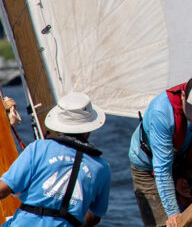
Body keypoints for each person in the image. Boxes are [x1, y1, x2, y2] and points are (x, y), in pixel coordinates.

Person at [129, 74, 192, 227]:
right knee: (166, 224)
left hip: (188, 157)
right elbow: (162, 170)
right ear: (183, 96)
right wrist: (173, 214)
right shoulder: (161, 111)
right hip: (149, 166)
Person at [0, 92, 111, 226]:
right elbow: (94, 216)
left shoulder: (39, 148)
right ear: (89, 128)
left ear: (59, 124)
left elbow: (3, 189)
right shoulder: (101, 168)